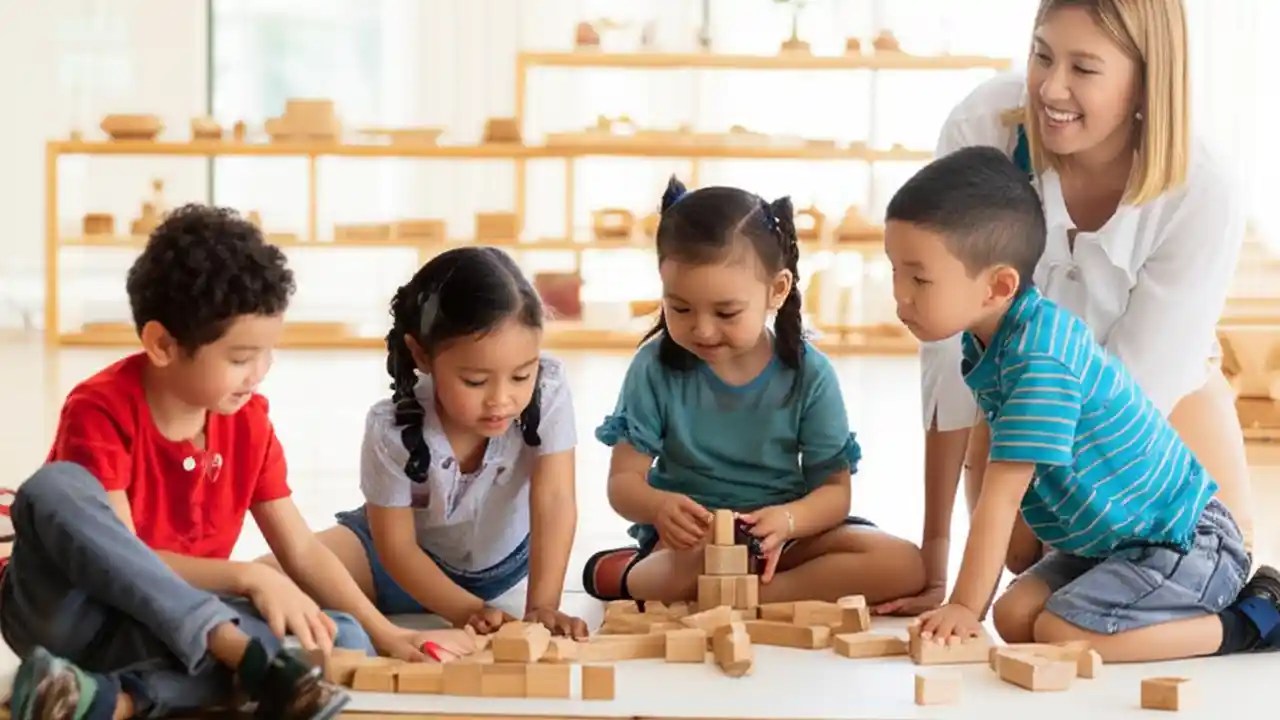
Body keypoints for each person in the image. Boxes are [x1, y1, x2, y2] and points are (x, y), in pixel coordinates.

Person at [1, 205, 471, 720]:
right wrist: (246, 576)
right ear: (162, 344)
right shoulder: (99, 408)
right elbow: (122, 562)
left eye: (267, 354)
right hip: (71, 612)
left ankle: (110, 700)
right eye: (240, 358)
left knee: (342, 636)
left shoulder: (248, 421)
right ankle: (235, 651)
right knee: (55, 486)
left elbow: (301, 551)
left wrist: (385, 632)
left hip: (152, 636)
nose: (259, 374)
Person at [881, 0, 1258, 617]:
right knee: (1018, 557)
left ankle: (1250, 622)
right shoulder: (986, 125)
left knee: (1210, 566)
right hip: (1018, 376)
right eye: (1041, 54)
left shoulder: (1203, 191)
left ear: (1145, 79)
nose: (1051, 87)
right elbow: (947, 356)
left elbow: (1134, 393)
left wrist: (1032, 495)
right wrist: (935, 555)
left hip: (1149, 402)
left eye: (1084, 68)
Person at [885, 145, 1280, 661]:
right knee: (1013, 616)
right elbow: (995, 442)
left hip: (1184, 545)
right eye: (894, 270)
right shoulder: (987, 335)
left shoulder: (1039, 358)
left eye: (919, 278)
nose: (900, 296)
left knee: (1058, 636)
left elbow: (1002, 495)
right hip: (1109, 545)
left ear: (997, 286)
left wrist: (962, 606)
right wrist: (990, 588)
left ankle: (1252, 622)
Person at [581, 177, 926, 605]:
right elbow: (623, 483)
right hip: (695, 546)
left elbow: (835, 493)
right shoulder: (654, 367)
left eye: (726, 312)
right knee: (667, 577)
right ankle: (645, 572)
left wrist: (788, 520)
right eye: (680, 308)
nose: (702, 328)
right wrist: (658, 507)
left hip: (785, 537)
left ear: (776, 291)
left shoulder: (810, 374)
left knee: (906, 564)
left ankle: (755, 595)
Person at [265, 247, 587, 638]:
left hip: (506, 562)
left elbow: (555, 499)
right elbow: (396, 548)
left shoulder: (549, 387)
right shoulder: (392, 428)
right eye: (475, 381)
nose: (501, 399)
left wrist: (541, 608)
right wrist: (466, 610)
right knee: (267, 582)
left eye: (521, 376)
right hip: (390, 562)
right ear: (421, 354)